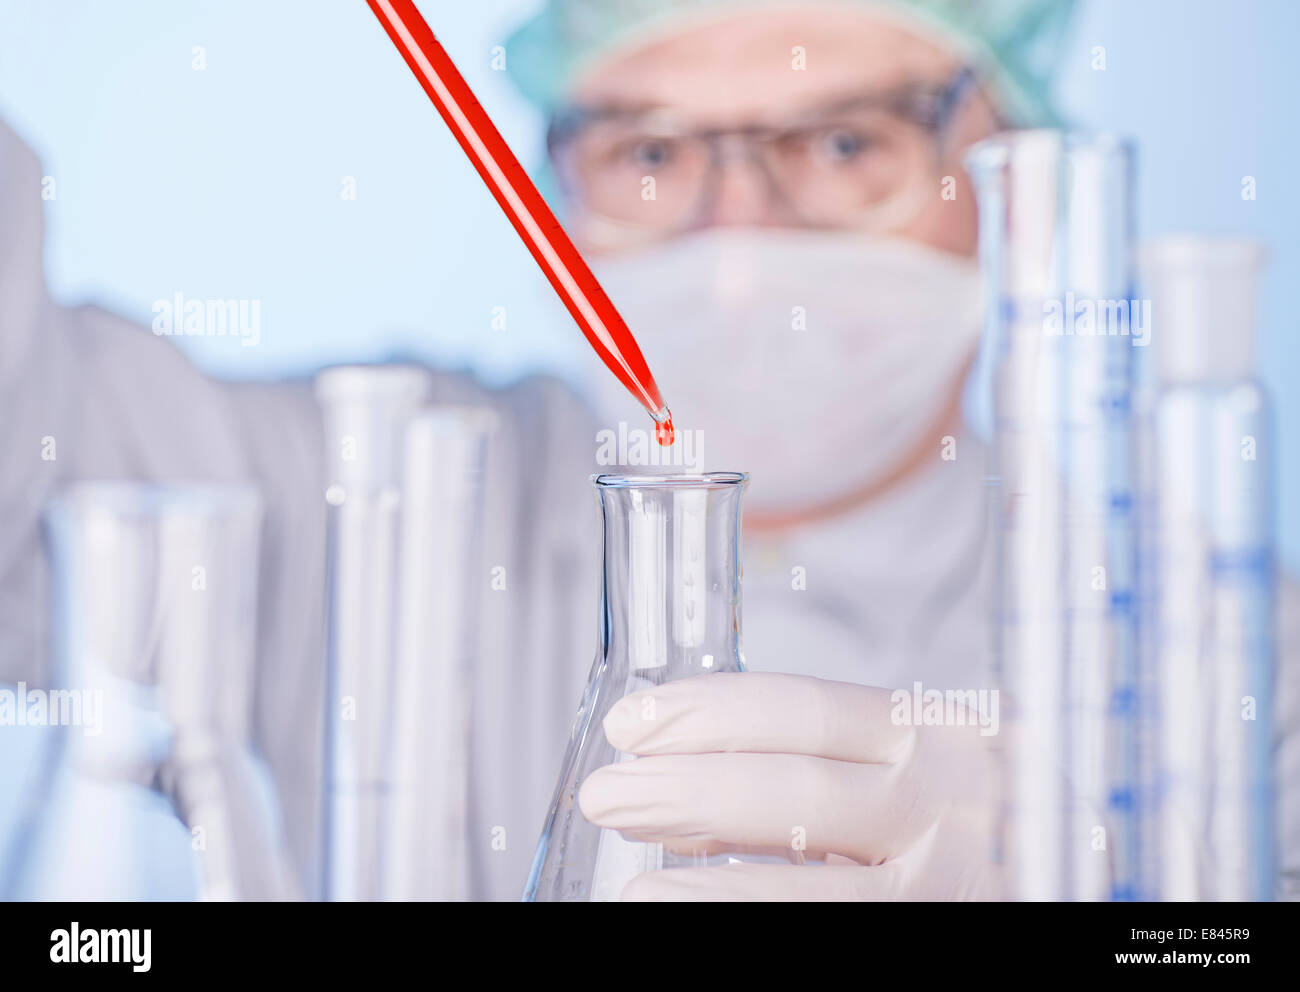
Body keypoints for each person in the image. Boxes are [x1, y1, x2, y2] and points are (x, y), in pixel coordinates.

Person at [0, 0, 1295, 901]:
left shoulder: (1246, 671)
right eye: (650, 151)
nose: (738, 242)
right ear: (559, 183)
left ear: (1005, 160)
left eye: (844, 143)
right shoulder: (345, 499)